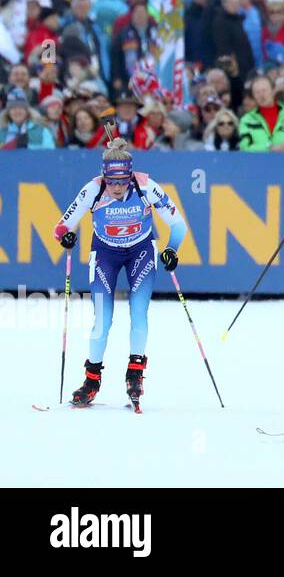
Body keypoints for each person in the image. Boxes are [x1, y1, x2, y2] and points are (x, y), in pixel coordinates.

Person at [52, 138, 188, 410]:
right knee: (102, 319)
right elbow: (61, 226)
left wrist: (172, 250)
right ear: (104, 176)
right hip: (105, 253)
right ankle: (91, 380)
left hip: (140, 251)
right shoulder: (93, 188)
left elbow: (179, 225)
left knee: (139, 312)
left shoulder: (146, 186)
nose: (116, 187)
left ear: (130, 176)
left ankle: (135, 374)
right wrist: (65, 237)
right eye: (111, 181)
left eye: (121, 181)